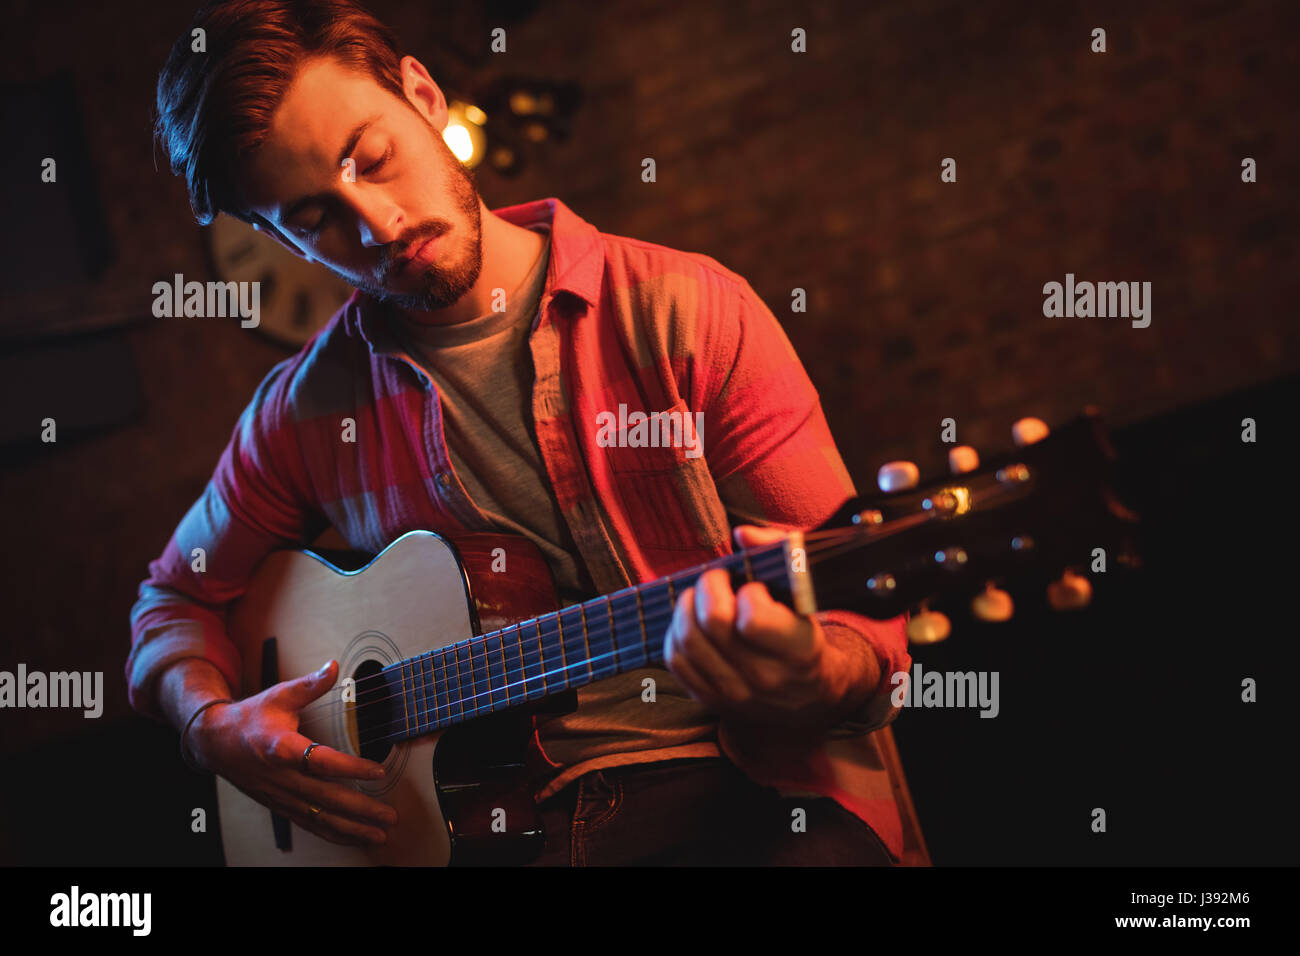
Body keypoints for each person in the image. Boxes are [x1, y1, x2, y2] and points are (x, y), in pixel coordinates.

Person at [132, 0, 928, 866]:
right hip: (475, 834)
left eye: (373, 158)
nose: (380, 226)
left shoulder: (691, 313)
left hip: (737, 790)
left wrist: (816, 673)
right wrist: (211, 725)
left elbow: (866, 634)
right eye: (315, 219)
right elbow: (173, 600)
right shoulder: (300, 415)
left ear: (424, 96)